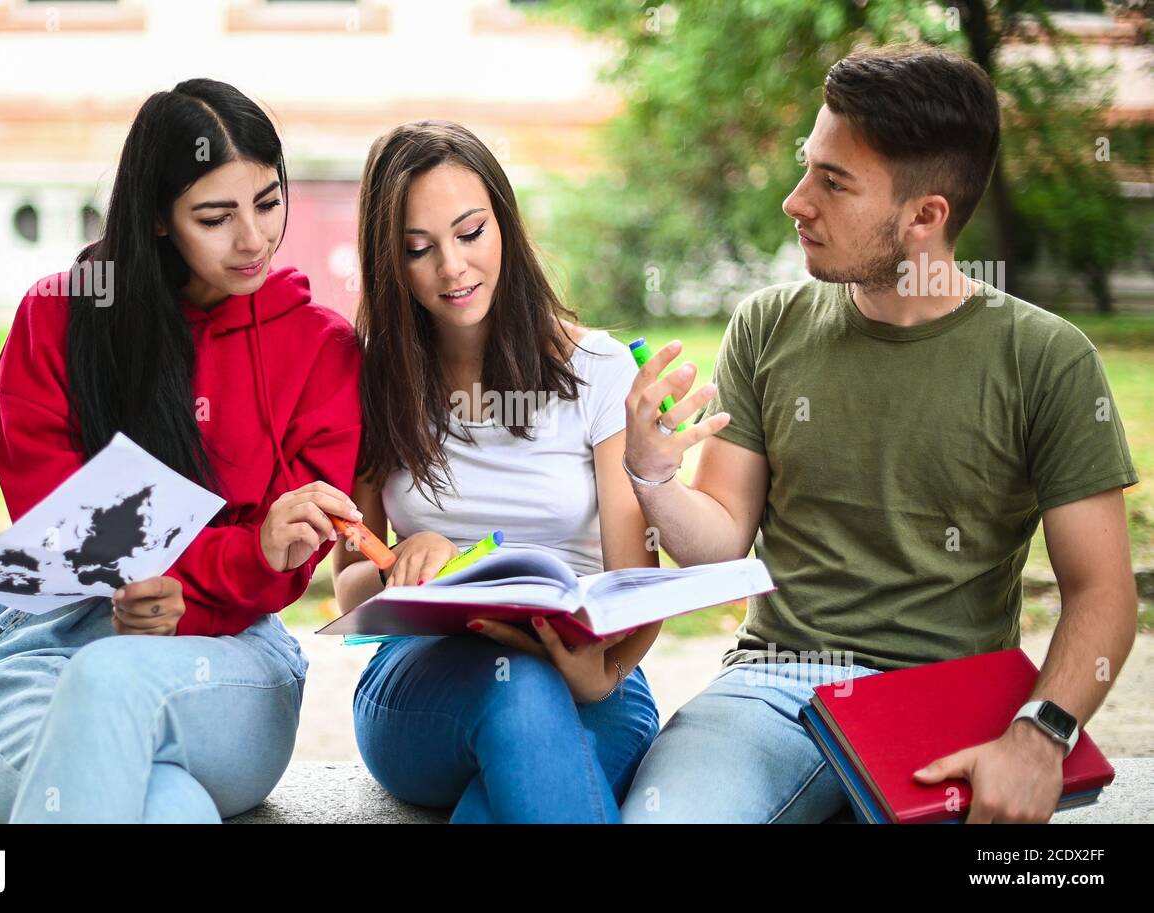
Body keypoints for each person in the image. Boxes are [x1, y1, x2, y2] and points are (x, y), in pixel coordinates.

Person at [618, 45, 1140, 824]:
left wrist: (1039, 737)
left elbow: (1103, 591)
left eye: (833, 183)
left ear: (926, 216)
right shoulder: (768, 325)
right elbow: (721, 543)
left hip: (946, 704)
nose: (796, 202)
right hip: (773, 686)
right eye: (808, 167)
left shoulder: (1046, 359)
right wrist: (653, 475)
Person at [0, 78, 363, 823]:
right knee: (164, 803)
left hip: (226, 662)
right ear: (155, 221)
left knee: (115, 685)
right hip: (49, 652)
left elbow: (284, 565)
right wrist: (227, 552)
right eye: (216, 216)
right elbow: (63, 537)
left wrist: (225, 572)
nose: (253, 239)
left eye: (269, 202)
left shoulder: (320, 348)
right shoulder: (60, 321)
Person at [332, 120, 660, 823]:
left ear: (504, 224)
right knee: (521, 691)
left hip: (595, 679)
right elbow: (346, 587)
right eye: (419, 249)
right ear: (391, 261)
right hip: (424, 682)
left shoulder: (599, 370)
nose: (452, 267)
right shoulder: (373, 378)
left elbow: (636, 583)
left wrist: (600, 673)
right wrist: (400, 565)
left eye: (470, 232)